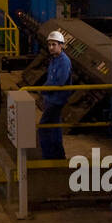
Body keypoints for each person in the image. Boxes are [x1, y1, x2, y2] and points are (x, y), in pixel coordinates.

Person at [37, 30, 72, 160]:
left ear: (61, 45)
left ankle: (48, 156)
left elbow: (59, 82)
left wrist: (44, 90)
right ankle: (59, 155)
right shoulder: (54, 59)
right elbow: (50, 78)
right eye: (49, 44)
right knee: (55, 127)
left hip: (57, 100)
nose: (51, 47)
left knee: (43, 128)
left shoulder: (64, 61)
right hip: (51, 99)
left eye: (54, 44)